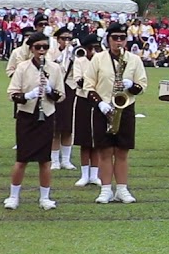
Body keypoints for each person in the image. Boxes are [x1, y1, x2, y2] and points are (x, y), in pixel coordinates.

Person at [84, 23, 148, 205]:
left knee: (122, 151)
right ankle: (105, 190)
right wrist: (101, 104)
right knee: (104, 151)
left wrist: (131, 86)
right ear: (108, 39)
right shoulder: (98, 59)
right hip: (103, 107)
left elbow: (142, 85)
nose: (118, 42)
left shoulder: (134, 60)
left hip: (125, 107)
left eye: (122, 38)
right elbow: (88, 85)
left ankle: (122, 189)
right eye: (115, 38)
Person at [6, 32, 65, 210]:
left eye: (45, 47)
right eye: (37, 47)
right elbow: (12, 93)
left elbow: (61, 95)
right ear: (31, 49)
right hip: (26, 115)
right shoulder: (22, 67)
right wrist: (28, 95)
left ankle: (45, 197)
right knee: (22, 159)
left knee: (45, 160)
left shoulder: (54, 68)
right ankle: (13, 196)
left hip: (46, 114)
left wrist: (48, 89)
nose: (41, 50)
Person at [71, 34, 102, 187]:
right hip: (83, 99)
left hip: (98, 100)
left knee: (96, 139)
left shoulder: (101, 60)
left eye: (95, 48)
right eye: (90, 48)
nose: (92, 51)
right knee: (84, 139)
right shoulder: (79, 61)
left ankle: (95, 175)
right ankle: (84, 175)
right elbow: (79, 81)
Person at [48, 26, 79, 171]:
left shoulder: (75, 52)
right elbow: (49, 67)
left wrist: (73, 56)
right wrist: (61, 57)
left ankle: (66, 160)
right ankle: (54, 160)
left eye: (69, 38)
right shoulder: (51, 51)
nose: (67, 41)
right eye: (63, 38)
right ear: (57, 39)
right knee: (55, 127)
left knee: (68, 127)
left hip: (70, 88)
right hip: (55, 89)